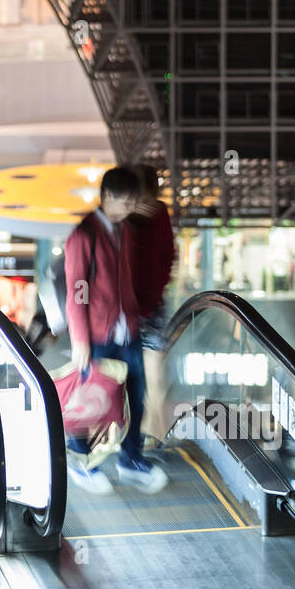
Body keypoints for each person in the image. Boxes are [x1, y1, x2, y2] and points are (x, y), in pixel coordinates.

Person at [64, 165, 168, 494]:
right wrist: (80, 337)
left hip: (127, 329)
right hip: (97, 335)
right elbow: (76, 289)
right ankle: (80, 461)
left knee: (135, 398)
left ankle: (131, 459)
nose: (129, 209)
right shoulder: (84, 234)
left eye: (132, 202)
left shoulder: (125, 230)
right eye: (124, 202)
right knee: (90, 400)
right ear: (107, 196)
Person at [129, 164, 176, 447]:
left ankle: (141, 435)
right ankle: (155, 436)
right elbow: (167, 260)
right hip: (154, 306)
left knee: (131, 377)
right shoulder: (161, 216)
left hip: (132, 309)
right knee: (153, 377)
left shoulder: (131, 221)